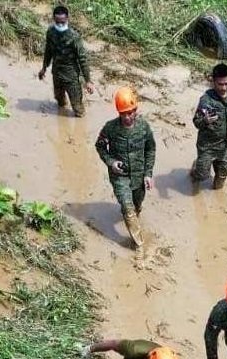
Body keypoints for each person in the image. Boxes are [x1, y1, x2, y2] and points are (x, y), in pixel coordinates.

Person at [95, 87, 156, 247]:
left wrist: (148, 174)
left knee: (136, 206)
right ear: (118, 112)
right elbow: (100, 146)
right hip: (120, 176)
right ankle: (140, 246)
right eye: (124, 114)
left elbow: (150, 149)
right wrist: (111, 162)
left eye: (131, 112)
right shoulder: (110, 128)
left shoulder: (144, 127)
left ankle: (133, 215)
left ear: (136, 109)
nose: (128, 117)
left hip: (139, 176)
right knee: (128, 209)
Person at [189, 63, 227, 190]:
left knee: (223, 173)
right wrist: (205, 120)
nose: (224, 87)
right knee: (202, 175)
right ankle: (195, 169)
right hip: (207, 147)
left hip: (224, 145)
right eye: (220, 84)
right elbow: (196, 122)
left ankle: (217, 193)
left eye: (226, 83)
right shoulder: (206, 100)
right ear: (214, 82)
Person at [38, 5, 94, 117]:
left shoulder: (74, 37)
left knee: (78, 109)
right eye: (57, 22)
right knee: (60, 101)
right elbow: (48, 51)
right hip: (57, 74)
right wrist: (44, 68)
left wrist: (88, 81)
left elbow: (82, 59)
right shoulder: (50, 32)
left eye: (62, 22)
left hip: (71, 77)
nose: (60, 25)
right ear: (54, 19)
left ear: (67, 19)